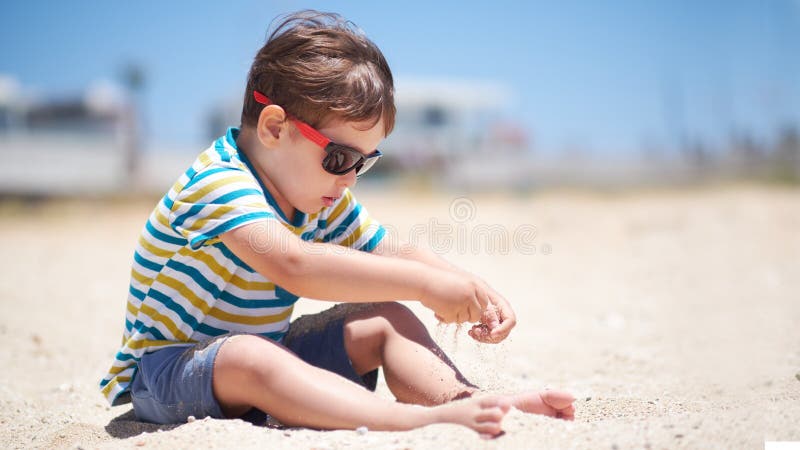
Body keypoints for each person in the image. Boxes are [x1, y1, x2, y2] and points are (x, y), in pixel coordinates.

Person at [99, 10, 575, 438]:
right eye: (339, 156)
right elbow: (295, 264)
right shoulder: (217, 183)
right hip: (169, 373)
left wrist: (472, 287)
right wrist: (427, 286)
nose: (349, 178)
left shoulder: (317, 196)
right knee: (248, 354)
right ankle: (414, 421)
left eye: (363, 163)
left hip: (273, 356)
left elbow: (393, 251)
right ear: (273, 128)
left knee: (386, 316)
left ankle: (467, 401)